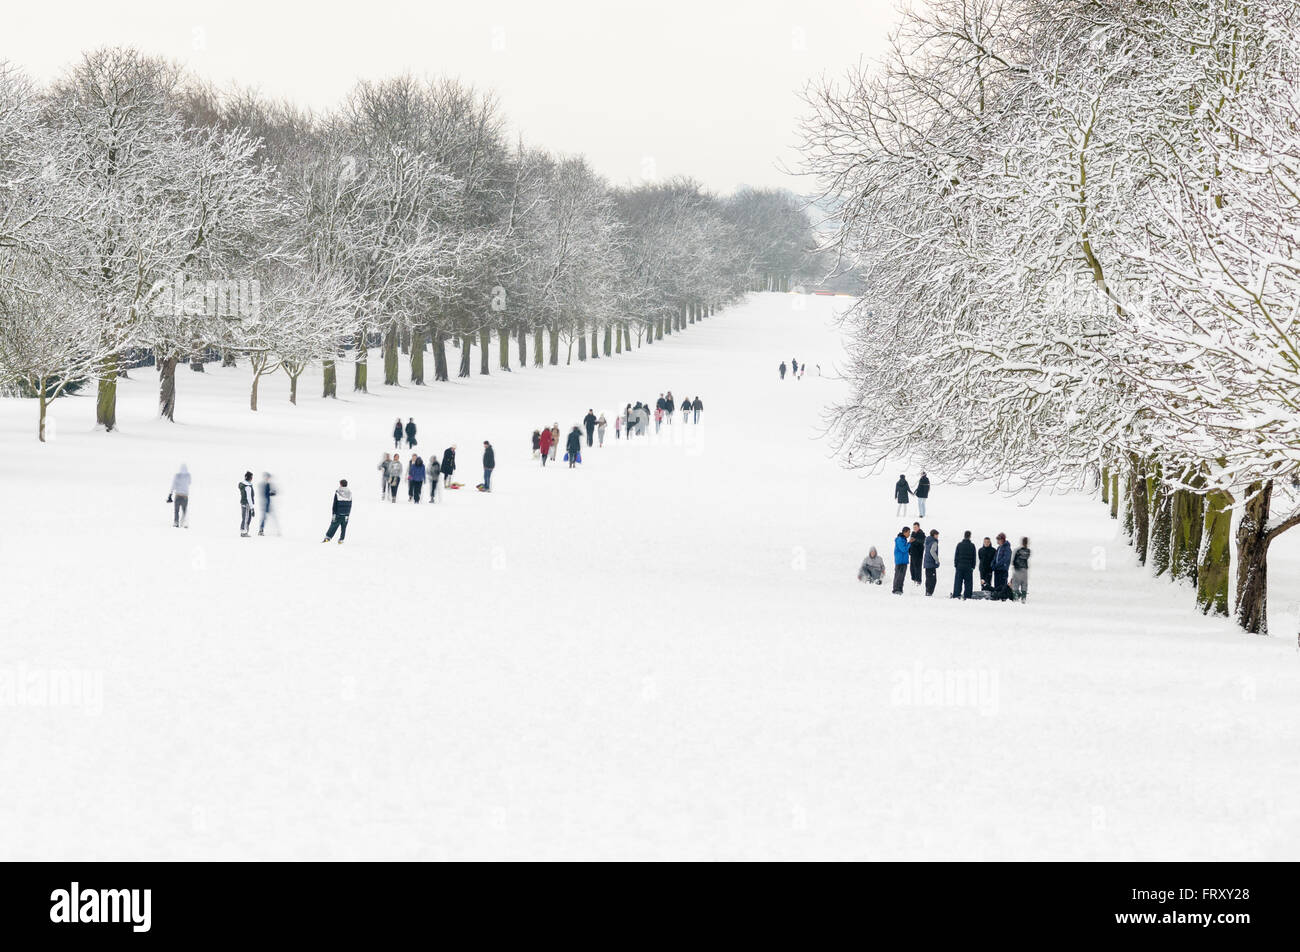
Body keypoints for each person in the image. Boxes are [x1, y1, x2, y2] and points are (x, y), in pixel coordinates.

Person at [322, 479, 352, 544]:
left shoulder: (338, 491)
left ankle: (328, 537)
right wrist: (348, 513)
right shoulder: (349, 492)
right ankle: (341, 539)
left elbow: (335, 503)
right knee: (344, 527)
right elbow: (350, 503)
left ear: (341, 484)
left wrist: (334, 513)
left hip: (338, 513)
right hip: (346, 513)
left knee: (334, 525)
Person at [952, 531, 977, 599]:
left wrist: (956, 565)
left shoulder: (959, 545)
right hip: (968, 567)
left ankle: (956, 594)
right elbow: (974, 557)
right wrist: (973, 566)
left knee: (958, 582)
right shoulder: (972, 545)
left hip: (960, 566)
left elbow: (956, 556)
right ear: (970, 536)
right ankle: (968, 595)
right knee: (968, 582)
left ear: (964, 536)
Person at [169, 464, 191, 528]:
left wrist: (170, 494)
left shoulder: (177, 476)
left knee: (176, 510)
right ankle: (184, 523)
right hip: (185, 496)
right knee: (184, 510)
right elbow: (189, 483)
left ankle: (176, 522)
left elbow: (173, 485)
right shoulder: (188, 476)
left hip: (178, 495)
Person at [1012, 537, 1031, 602]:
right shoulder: (1028, 551)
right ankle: (1023, 598)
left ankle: (1016, 596)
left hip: (1018, 569)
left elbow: (1014, 560)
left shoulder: (1018, 550)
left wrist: (1015, 566)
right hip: (1025, 569)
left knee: (1015, 583)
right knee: (1024, 584)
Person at [892, 528, 910, 594]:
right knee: (898, 576)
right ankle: (896, 589)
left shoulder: (903, 539)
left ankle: (900, 589)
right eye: (908, 532)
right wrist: (909, 543)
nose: (909, 534)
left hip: (904, 561)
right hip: (900, 561)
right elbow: (904, 549)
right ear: (904, 532)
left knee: (902, 576)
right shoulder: (900, 539)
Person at [923, 529, 940, 596]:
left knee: (928, 578)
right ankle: (930, 592)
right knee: (933, 579)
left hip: (926, 562)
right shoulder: (934, 542)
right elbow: (932, 551)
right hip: (931, 563)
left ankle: (927, 591)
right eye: (937, 535)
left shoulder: (927, 541)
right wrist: (937, 560)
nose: (937, 536)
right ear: (934, 535)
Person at [238, 471, 256, 537]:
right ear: (250, 478)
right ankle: (244, 532)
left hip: (243, 503)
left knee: (245, 517)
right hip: (247, 504)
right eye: (252, 477)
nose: (252, 478)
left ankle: (243, 531)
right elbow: (249, 498)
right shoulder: (248, 486)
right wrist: (252, 508)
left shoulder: (243, 484)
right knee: (246, 518)